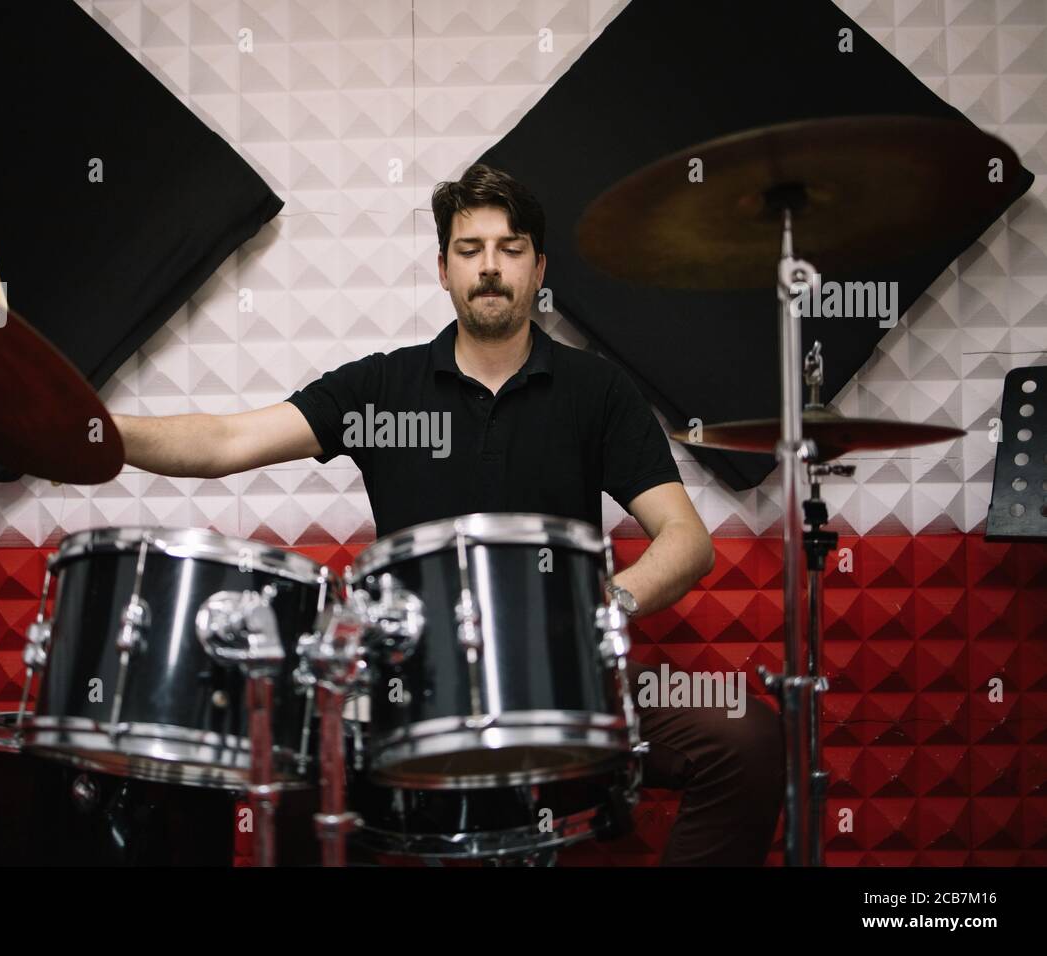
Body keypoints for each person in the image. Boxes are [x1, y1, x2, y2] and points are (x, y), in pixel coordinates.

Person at [112, 163, 784, 865]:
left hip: (568, 681)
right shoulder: (380, 387)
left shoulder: (597, 389)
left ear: (538, 266)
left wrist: (606, 608)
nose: (490, 267)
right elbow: (226, 440)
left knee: (748, 740)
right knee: (306, 749)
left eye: (510, 247)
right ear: (443, 268)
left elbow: (685, 538)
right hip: (412, 687)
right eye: (470, 250)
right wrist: (96, 431)